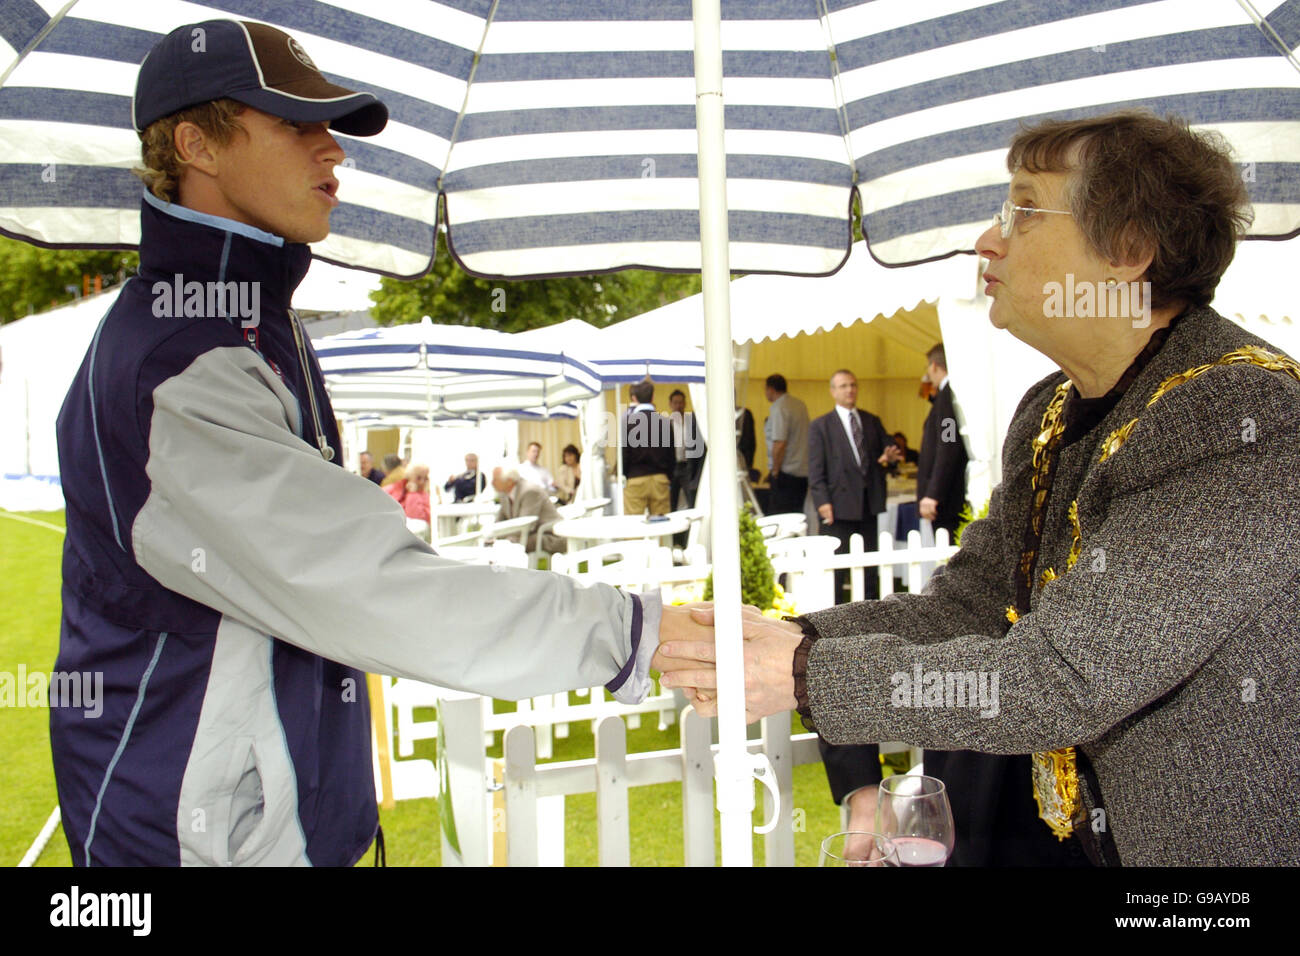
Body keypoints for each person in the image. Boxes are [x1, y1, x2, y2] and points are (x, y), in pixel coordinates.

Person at [49, 19, 705, 867]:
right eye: (296, 124)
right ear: (194, 145)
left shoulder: (248, 318)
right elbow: (369, 586)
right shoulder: (176, 362)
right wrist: (633, 631)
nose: (334, 152)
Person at [659, 110, 1300, 866]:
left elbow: (1063, 678)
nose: (988, 240)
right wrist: (801, 638)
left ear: (1129, 251)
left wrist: (803, 673)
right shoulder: (1050, 410)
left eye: (1024, 210)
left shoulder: (1244, 413)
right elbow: (973, 607)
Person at [807, 369, 901, 602]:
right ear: (833, 391)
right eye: (843, 386)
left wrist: (889, 456)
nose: (849, 390)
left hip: (868, 503)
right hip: (837, 506)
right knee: (837, 567)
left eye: (852, 385)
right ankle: (835, 613)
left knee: (869, 565)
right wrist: (822, 502)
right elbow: (815, 469)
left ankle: (870, 608)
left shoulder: (871, 421)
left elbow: (889, 449)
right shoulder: (821, 426)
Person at [917, 344, 970, 539]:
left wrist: (933, 493)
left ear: (933, 366)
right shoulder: (947, 395)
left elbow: (947, 445)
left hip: (947, 497)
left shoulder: (947, 397)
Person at [621, 378, 674, 516]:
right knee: (662, 526)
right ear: (653, 397)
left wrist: (626, 475)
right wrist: (668, 476)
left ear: (634, 398)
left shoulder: (627, 423)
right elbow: (671, 455)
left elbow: (624, 455)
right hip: (660, 478)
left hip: (635, 478)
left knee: (633, 527)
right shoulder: (665, 422)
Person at [762, 374, 809, 515]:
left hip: (785, 473)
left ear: (770, 389)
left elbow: (780, 442)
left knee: (781, 516)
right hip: (803, 470)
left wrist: (775, 471)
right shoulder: (799, 405)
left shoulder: (779, 407)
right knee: (798, 516)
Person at [493, 466, 565, 555]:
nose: (492, 483)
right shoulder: (504, 495)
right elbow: (499, 521)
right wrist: (493, 535)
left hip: (548, 536)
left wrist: (499, 536)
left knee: (509, 545)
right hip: (528, 535)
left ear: (509, 481)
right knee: (501, 544)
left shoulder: (529, 491)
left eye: (495, 479)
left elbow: (526, 525)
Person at [668, 389, 705, 510]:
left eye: (680, 402)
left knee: (691, 499)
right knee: (670, 501)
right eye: (675, 402)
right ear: (670, 404)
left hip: (687, 466)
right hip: (672, 467)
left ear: (685, 403)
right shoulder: (667, 424)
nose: (678, 405)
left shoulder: (692, 423)